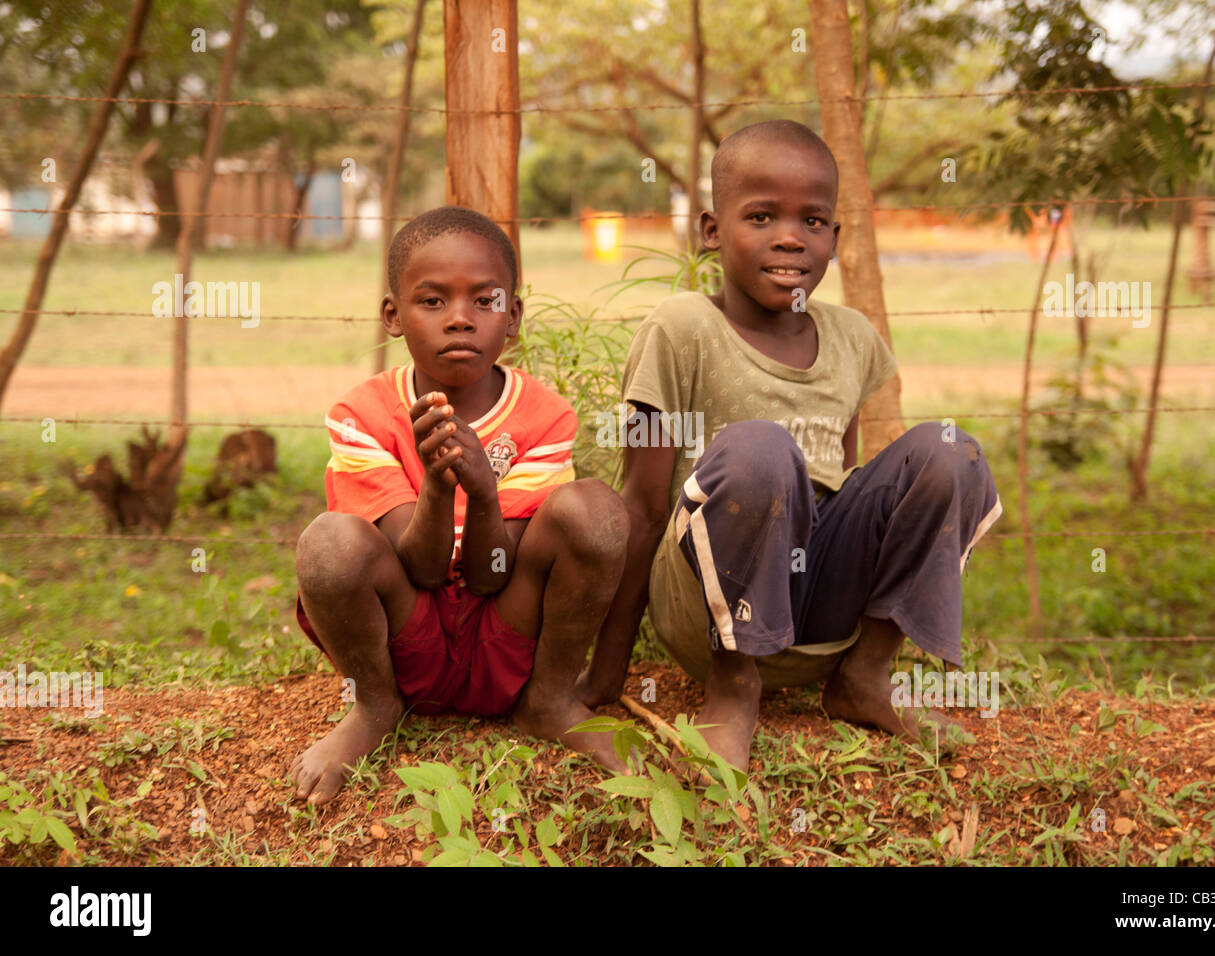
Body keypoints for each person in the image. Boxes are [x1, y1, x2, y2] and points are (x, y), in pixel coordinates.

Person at [576, 121, 1002, 771]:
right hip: (704, 601)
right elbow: (639, 507)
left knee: (950, 449)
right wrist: (606, 675)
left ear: (835, 235)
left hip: (821, 604)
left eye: (812, 220)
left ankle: (864, 676)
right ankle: (735, 684)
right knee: (762, 450)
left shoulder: (852, 336)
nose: (789, 237)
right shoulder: (680, 328)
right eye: (762, 215)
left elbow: (851, 483)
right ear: (712, 230)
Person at [292, 206, 628, 805]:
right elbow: (418, 568)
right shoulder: (362, 416)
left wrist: (483, 492)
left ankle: (548, 701)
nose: (460, 320)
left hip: (506, 627)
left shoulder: (544, 417)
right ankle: (374, 706)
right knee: (329, 543)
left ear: (514, 317)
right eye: (432, 301)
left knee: (594, 510)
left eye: (485, 301)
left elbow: (491, 574)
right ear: (393, 316)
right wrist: (440, 486)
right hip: (405, 634)